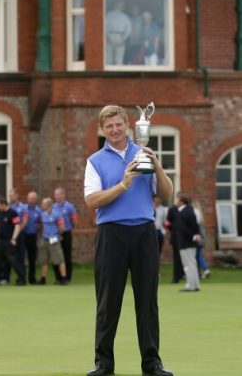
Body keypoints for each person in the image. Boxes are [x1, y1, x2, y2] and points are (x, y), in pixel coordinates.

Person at [84, 105, 174, 376]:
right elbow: (91, 201)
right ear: (103, 130)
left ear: (128, 125)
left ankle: (152, 363)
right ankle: (103, 364)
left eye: (118, 124)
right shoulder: (95, 160)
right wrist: (123, 184)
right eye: (108, 126)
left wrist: (157, 165)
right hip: (112, 234)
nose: (114, 130)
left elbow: (167, 194)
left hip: (144, 232)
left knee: (147, 301)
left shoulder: (143, 154)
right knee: (108, 301)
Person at [0, 196, 25, 285]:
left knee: (13, 260)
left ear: (3, 204)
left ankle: (22, 278)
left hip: (9, 240)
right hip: (1, 240)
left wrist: (14, 238)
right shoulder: (0, 213)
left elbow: (17, 226)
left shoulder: (13, 213)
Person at [36, 197, 68, 285]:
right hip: (44, 239)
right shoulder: (42, 214)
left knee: (59, 259)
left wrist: (56, 235)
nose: (42, 205)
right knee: (44, 260)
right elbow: (41, 226)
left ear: (48, 205)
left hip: (54, 240)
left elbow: (62, 228)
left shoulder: (57, 214)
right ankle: (43, 278)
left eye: (43, 204)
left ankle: (64, 278)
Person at [176, 194, 202, 292]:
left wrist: (191, 236)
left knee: (187, 264)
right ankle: (195, 284)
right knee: (193, 263)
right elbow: (195, 226)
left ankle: (190, 285)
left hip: (185, 242)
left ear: (182, 201)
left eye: (178, 200)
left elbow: (182, 228)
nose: (176, 202)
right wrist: (195, 235)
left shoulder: (182, 212)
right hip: (192, 241)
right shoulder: (191, 210)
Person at [53, 187, 78, 282]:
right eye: (55, 195)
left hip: (66, 233)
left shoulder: (69, 206)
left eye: (57, 194)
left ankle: (67, 277)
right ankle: (58, 277)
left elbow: (74, 220)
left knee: (66, 255)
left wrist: (69, 228)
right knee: (56, 255)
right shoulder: (53, 207)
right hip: (55, 234)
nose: (56, 196)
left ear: (62, 195)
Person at [22, 191, 43, 284]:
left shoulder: (38, 211)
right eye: (29, 198)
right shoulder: (23, 209)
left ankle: (32, 278)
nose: (30, 200)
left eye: (32, 199)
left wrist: (38, 232)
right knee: (22, 258)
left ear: (35, 200)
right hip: (23, 235)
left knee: (32, 258)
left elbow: (40, 223)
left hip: (33, 236)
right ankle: (22, 278)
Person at [164, 195, 185, 284]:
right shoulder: (172, 210)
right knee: (176, 257)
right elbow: (168, 222)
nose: (177, 201)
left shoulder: (187, 210)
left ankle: (183, 274)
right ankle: (176, 276)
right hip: (175, 237)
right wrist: (171, 229)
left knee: (185, 257)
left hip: (185, 238)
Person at [104, 1, 131, 65]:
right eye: (118, 5)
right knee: (108, 58)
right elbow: (104, 25)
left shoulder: (125, 16)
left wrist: (124, 39)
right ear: (115, 5)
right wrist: (107, 36)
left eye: (121, 5)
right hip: (110, 36)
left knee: (119, 59)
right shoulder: (109, 15)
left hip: (120, 37)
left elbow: (129, 29)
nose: (119, 6)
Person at [192, 200, 211, 279]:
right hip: (201, 239)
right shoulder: (200, 215)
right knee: (199, 255)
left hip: (198, 239)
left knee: (198, 256)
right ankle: (204, 270)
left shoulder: (196, 214)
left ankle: (205, 269)